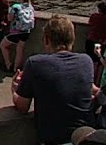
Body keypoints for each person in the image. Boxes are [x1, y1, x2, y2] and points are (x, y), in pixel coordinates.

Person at [11, 15, 93, 145]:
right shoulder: (86, 61)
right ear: (72, 39)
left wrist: (15, 89)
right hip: (84, 138)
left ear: (46, 40)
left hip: (54, 139)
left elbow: (22, 106)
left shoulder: (35, 63)